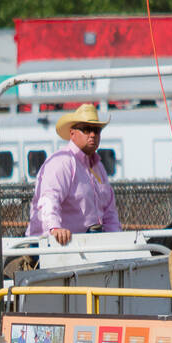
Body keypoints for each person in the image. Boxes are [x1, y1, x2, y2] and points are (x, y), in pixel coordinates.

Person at [27, 102, 121, 245]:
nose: (92, 135)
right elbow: (49, 198)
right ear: (72, 134)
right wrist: (55, 229)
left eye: (96, 130)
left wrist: (117, 241)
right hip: (53, 246)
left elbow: (109, 212)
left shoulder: (98, 167)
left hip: (85, 245)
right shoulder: (62, 162)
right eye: (87, 129)